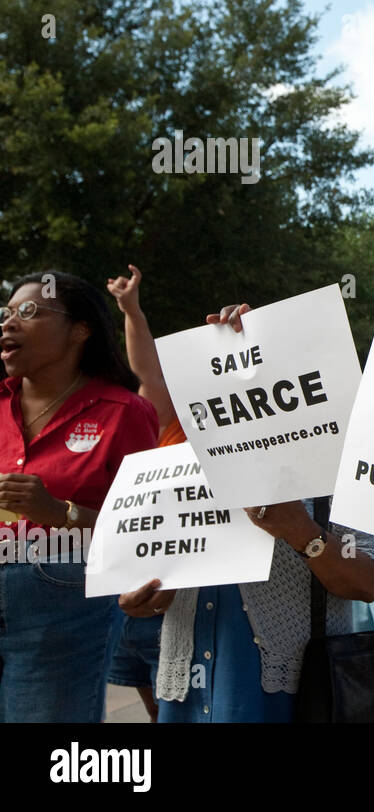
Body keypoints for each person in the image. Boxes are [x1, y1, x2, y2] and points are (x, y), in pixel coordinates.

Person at [119, 302, 374, 722]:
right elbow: (158, 579)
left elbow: (368, 582)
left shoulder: (336, 462)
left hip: (290, 692)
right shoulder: (182, 462)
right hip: (190, 680)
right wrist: (149, 597)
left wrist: (303, 533)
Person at [0, 271, 158, 722]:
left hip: (60, 608)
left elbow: (148, 526)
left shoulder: (124, 412)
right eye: (6, 313)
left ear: (80, 329)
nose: (9, 323)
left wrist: (59, 512)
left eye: (28, 312)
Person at [104, 264, 182, 721]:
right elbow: (146, 368)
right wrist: (131, 308)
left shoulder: (234, 431)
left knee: (176, 701)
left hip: (181, 590)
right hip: (133, 583)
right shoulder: (161, 414)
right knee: (156, 705)